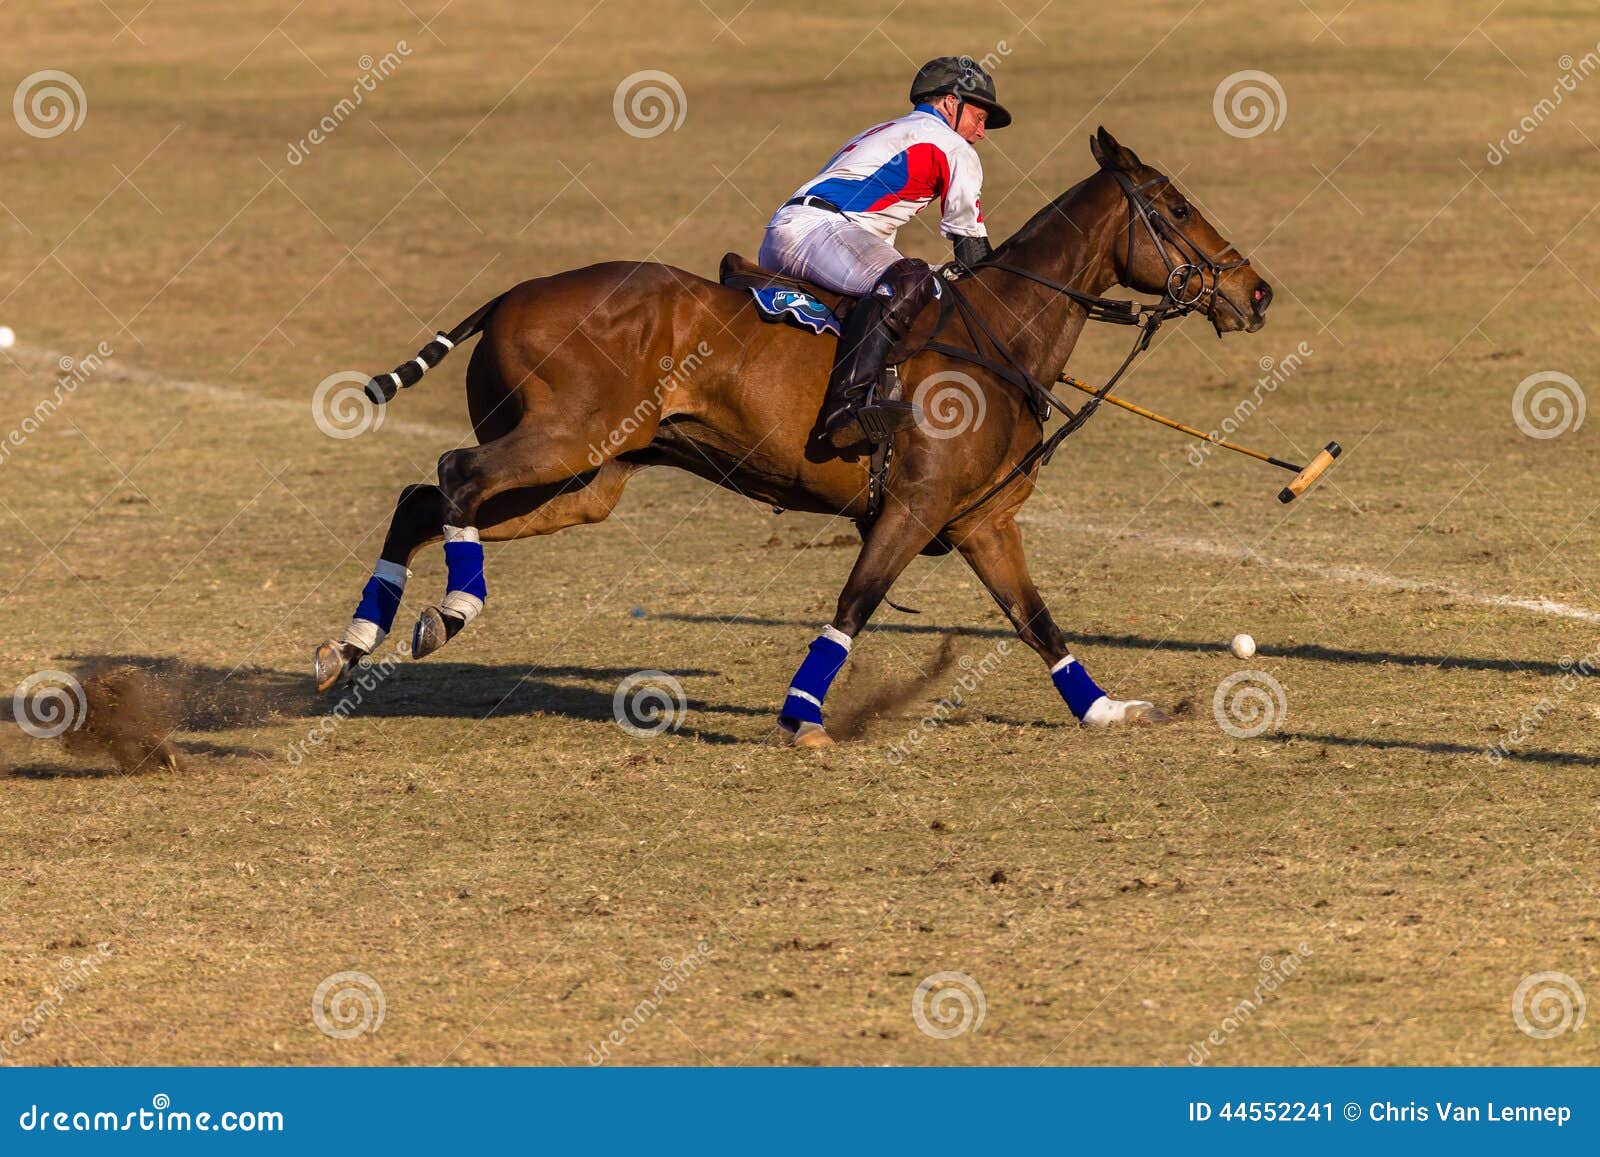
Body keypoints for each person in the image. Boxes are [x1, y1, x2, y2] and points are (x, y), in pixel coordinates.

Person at [758, 56, 1011, 448]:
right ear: (949, 102)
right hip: (822, 233)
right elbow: (972, 251)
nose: (982, 131)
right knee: (912, 281)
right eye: (978, 117)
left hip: (793, 232)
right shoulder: (950, 146)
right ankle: (847, 408)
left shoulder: (891, 131)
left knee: (909, 280)